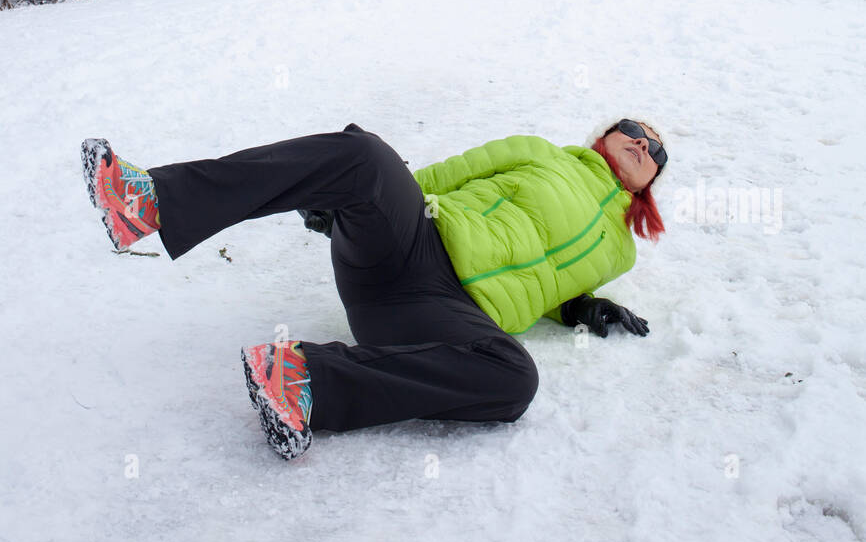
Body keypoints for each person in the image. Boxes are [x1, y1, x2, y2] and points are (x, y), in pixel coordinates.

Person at [80, 116, 668, 461]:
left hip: (441, 317)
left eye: (654, 151)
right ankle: (149, 200)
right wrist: (354, 203)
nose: (642, 144)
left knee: (515, 377)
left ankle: (303, 382)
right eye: (634, 131)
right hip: (413, 245)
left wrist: (582, 306)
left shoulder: (620, 250)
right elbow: (436, 179)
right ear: (606, 134)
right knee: (366, 155)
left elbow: (552, 282)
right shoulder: (538, 153)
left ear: (651, 183)